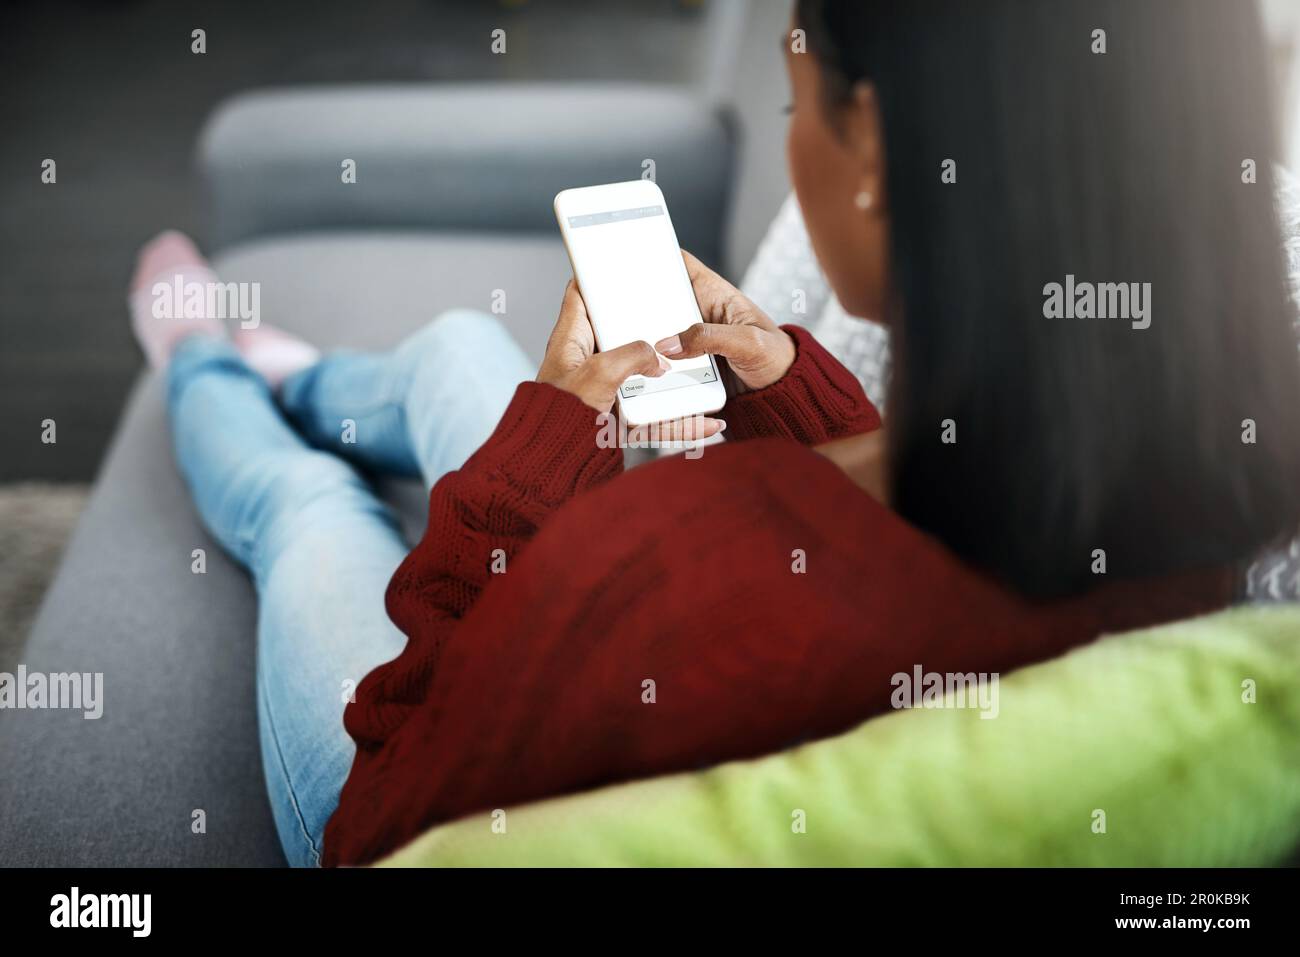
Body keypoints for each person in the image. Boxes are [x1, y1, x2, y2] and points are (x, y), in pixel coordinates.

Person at [128, 0, 1300, 867]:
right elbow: (933, 511)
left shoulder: (664, 574)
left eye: (797, 107)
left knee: (310, 510)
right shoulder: (1213, 504)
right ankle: (300, 377)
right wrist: (784, 373)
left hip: (391, 793)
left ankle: (204, 368)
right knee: (455, 356)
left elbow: (388, 785)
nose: (792, 138)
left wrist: (539, 461)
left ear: (876, 150)